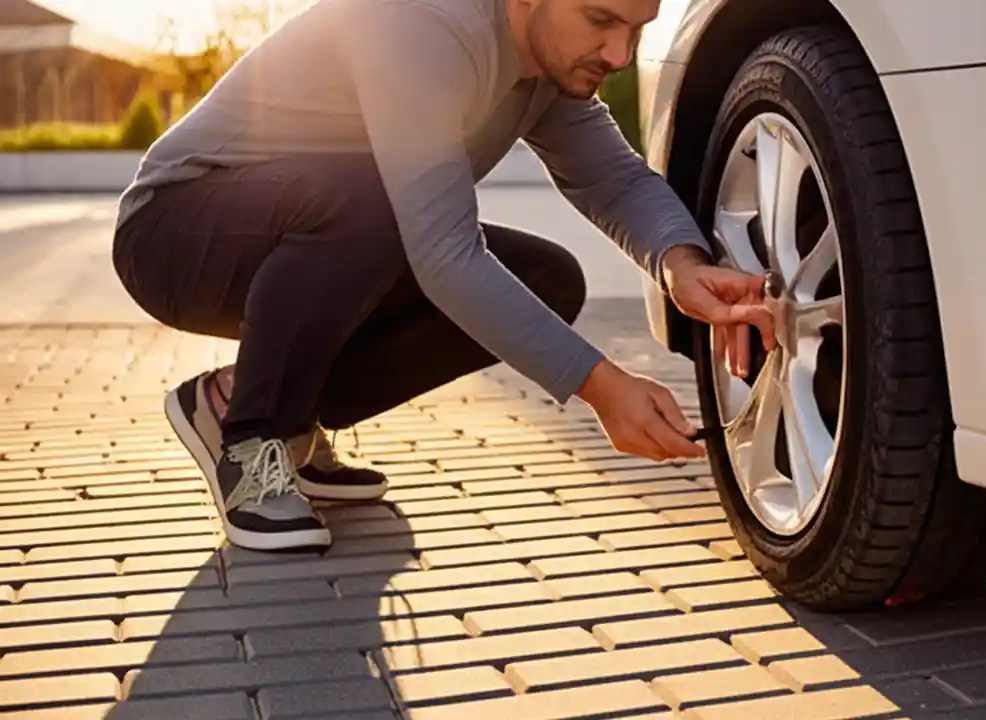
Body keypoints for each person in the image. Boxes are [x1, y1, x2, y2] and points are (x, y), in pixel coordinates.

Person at [111, 0, 774, 553]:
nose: (619, 53)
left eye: (637, 29)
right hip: (178, 231)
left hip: (317, 233)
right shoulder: (421, 21)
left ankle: (268, 406)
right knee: (373, 204)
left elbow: (616, 179)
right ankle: (254, 446)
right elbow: (444, 253)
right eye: (601, 19)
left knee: (549, 278)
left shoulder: (548, 68)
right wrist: (601, 387)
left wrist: (682, 265)